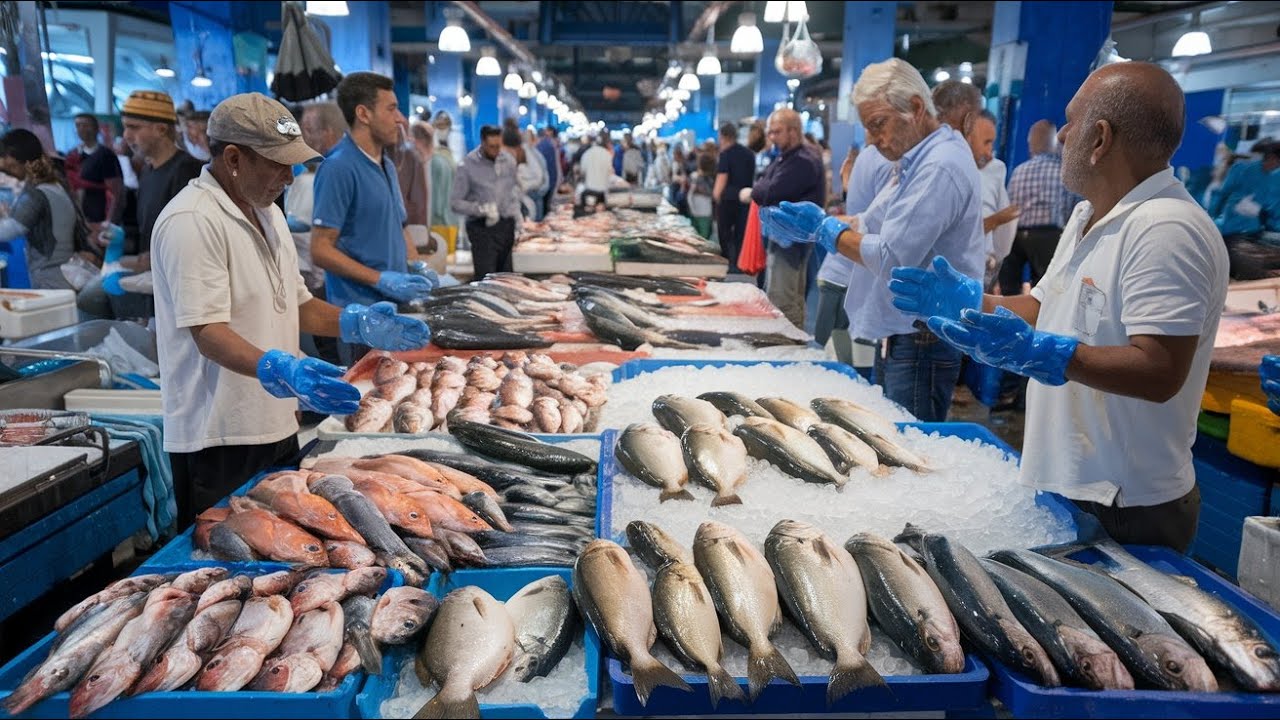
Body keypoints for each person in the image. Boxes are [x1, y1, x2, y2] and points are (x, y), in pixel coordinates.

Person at [891, 62, 1229, 551]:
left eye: (1072, 121)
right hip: (1067, 484)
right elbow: (1042, 305)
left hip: (1124, 504)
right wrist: (975, 301)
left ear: (1100, 138)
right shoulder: (1089, 215)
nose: (1062, 133)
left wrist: (1052, 356)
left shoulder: (1166, 230)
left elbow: (1160, 370)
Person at [151, 92, 430, 526]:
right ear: (233, 158)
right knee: (232, 573)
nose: (291, 174)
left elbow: (296, 303)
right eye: (278, 162)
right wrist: (280, 368)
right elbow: (206, 331)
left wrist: (357, 323)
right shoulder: (192, 221)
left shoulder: (268, 213)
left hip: (277, 424)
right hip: (220, 437)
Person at [759, 59, 985, 422]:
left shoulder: (939, 165)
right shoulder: (916, 160)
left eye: (879, 124)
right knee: (890, 434)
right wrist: (830, 221)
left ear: (914, 107)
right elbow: (876, 220)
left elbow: (892, 256)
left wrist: (825, 231)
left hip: (924, 336)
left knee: (909, 449)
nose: (875, 141)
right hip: (906, 333)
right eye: (869, 129)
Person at [311, 72, 435, 366]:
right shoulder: (338, 167)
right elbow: (320, 250)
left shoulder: (387, 165)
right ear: (363, 114)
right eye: (391, 109)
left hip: (396, 310)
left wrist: (417, 265)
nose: (401, 119)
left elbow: (400, 225)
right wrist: (381, 279)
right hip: (363, 318)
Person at [79, 90, 204, 320]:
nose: (126, 135)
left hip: (179, 287)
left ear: (161, 129)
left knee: (91, 298)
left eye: (134, 127)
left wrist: (139, 262)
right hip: (152, 280)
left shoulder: (187, 170)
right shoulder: (147, 170)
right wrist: (118, 240)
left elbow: (191, 237)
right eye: (125, 127)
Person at [751, 108, 826, 329]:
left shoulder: (802, 160)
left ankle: (786, 350)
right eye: (770, 132)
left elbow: (764, 191)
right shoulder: (788, 156)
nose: (772, 137)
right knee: (788, 297)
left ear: (793, 131)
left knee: (783, 300)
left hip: (791, 242)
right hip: (784, 238)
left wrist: (761, 188)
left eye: (777, 132)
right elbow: (765, 183)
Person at [1001, 119, 1076, 295]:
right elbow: (1073, 210)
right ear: (1055, 143)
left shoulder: (1019, 170)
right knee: (1046, 289)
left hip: (1017, 238)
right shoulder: (1062, 171)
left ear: (1032, 144)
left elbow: (1010, 210)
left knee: (1010, 285)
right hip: (1048, 236)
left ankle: (1008, 308)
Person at [0, 129, 81, 289]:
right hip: (62, 271)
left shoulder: (37, 192)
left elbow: (10, 230)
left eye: (8, 165)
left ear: (18, 161)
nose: (6, 171)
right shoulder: (53, 184)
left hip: (50, 275)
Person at [450, 124, 521, 277]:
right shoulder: (467, 165)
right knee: (486, 278)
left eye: (498, 146)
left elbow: (513, 192)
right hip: (482, 230)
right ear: (482, 142)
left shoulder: (508, 161)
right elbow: (455, 202)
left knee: (507, 278)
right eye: (491, 146)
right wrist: (480, 209)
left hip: (505, 226)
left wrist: (518, 218)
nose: (496, 150)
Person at [968, 110, 1020, 290]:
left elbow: (1006, 227)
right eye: (986, 143)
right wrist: (997, 220)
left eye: (992, 143)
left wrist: (995, 260)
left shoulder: (996, 169)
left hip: (984, 267)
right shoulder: (944, 173)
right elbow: (958, 232)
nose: (990, 153)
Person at [64, 113, 124, 231]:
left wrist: (109, 222)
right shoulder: (73, 155)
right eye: (78, 125)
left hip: (99, 217)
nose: (81, 129)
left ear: (96, 129)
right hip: (81, 216)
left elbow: (116, 192)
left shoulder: (105, 155)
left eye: (86, 125)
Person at [714, 122, 756, 273]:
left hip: (727, 199)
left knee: (724, 232)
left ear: (723, 136)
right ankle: (740, 263)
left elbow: (722, 178)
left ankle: (727, 263)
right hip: (746, 198)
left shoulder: (725, 154)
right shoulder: (749, 153)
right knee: (741, 232)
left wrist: (716, 196)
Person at [580, 131, 614, 210]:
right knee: (601, 217)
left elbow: (583, 172)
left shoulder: (586, 154)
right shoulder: (607, 154)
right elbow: (610, 171)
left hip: (589, 191)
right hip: (603, 192)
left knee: (589, 217)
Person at [688, 151, 716, 239]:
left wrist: (692, 210)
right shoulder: (711, 179)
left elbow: (689, 196)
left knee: (696, 238)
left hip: (697, 212)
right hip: (705, 213)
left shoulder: (695, 177)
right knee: (704, 238)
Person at [536, 126, 561, 218]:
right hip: (549, 182)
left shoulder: (543, 146)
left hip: (545, 183)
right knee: (546, 208)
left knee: (544, 210)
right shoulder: (550, 145)